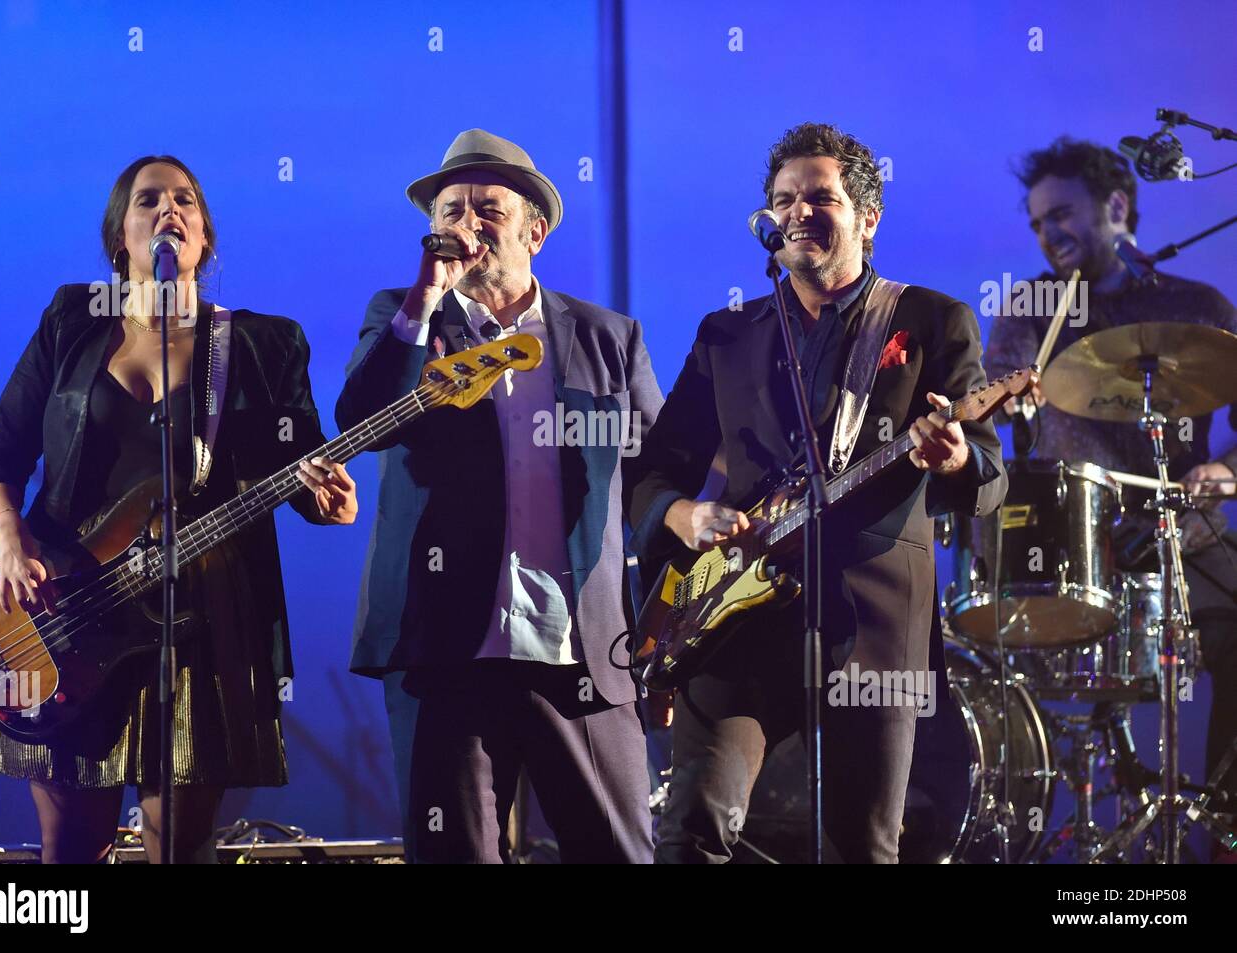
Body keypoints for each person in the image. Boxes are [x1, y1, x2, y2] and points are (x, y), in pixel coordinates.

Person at [628, 122, 1007, 863]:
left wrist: (956, 455)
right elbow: (649, 470)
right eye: (783, 199)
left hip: (869, 620)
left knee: (863, 847)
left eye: (821, 197)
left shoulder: (930, 321)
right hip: (731, 610)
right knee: (690, 832)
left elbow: (989, 481)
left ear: (869, 217)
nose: (799, 211)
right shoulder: (727, 334)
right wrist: (686, 513)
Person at [0, 155, 356, 864]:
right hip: (67, 618)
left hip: (198, 626)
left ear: (204, 237)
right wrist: (10, 538)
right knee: (68, 850)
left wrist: (324, 495)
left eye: (185, 200)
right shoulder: (71, 323)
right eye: (149, 200)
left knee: (181, 842)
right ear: (122, 234)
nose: (169, 211)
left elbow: (296, 462)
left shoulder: (261, 343)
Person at [337, 128, 661, 863]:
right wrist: (423, 302)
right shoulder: (406, 319)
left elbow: (658, 476)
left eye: (488, 209)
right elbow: (359, 420)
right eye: (451, 210)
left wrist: (669, 623)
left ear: (534, 231)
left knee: (619, 851)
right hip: (447, 648)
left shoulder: (609, 337)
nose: (465, 224)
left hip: (580, 649)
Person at [983, 137, 1237, 853]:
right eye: (1036, 224)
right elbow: (994, 403)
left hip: (1186, 539)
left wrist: (1219, 474)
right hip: (1075, 547)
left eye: (1060, 215)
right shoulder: (1032, 308)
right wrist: (1006, 404)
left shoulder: (1201, 306)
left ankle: (1225, 827)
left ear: (1117, 207)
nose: (1046, 235)